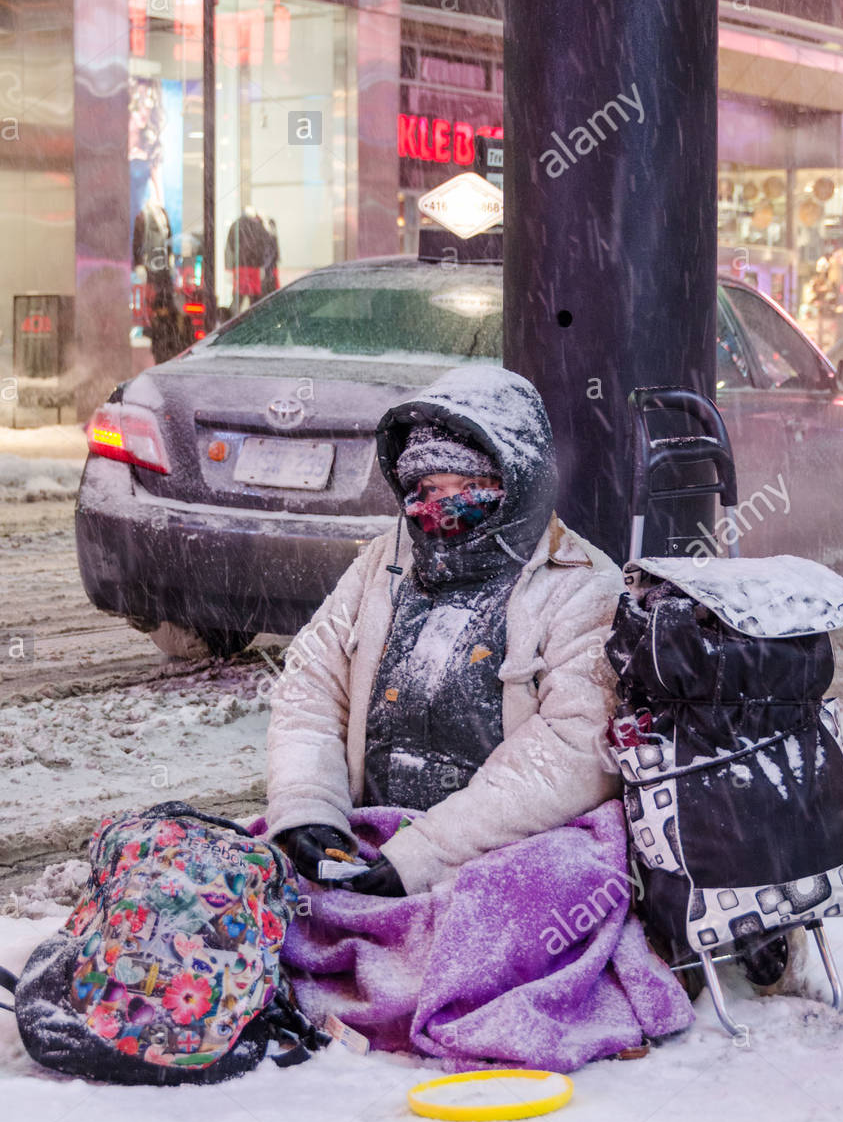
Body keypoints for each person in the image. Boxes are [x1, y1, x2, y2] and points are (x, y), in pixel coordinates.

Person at [265, 364, 693, 1069]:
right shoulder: (381, 565)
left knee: (529, 902)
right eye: (425, 492)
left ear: (514, 484)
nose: (441, 508)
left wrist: (423, 855)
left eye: (466, 490)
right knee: (270, 877)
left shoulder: (582, 584)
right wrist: (310, 811)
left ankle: (419, 979)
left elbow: (574, 752)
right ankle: (379, 954)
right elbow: (311, 687)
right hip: (373, 829)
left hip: (505, 843)